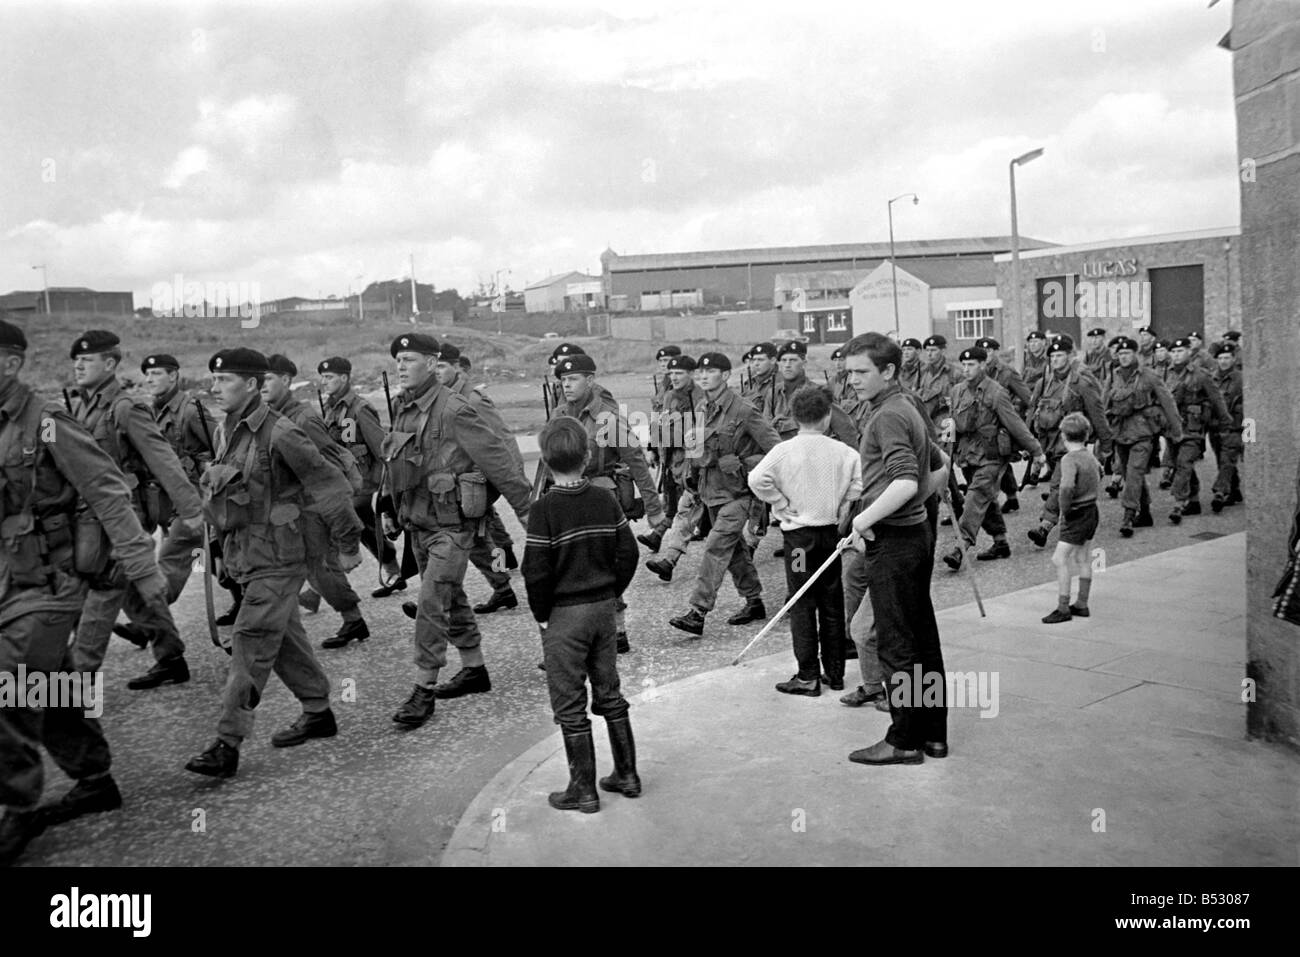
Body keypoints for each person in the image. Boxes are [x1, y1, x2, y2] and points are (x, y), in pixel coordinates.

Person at [0, 319, 171, 866]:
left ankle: (17, 807)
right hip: (7, 578)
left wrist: (142, 568)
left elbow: (105, 488)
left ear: (10, 363)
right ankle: (94, 779)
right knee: (49, 682)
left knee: (11, 683)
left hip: (53, 580)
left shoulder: (46, 423)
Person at [184, 349, 363, 778]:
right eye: (214, 380)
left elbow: (331, 486)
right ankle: (318, 710)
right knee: (282, 639)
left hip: (282, 557)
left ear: (251, 384)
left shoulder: (282, 432)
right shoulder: (228, 431)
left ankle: (227, 742)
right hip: (249, 556)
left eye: (225, 380)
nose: (214, 388)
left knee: (250, 640)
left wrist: (348, 543)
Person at [383, 334, 533, 729]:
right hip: (418, 522)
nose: (401, 365)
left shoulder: (455, 410)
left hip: (453, 526)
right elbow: (395, 461)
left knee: (432, 601)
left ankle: (423, 688)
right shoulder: (403, 407)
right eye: (398, 359)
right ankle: (474, 668)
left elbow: (500, 462)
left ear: (432, 364)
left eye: (409, 359)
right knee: (452, 597)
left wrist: (529, 515)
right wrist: (387, 507)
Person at [67, 331, 201, 690]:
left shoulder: (125, 408)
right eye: (76, 360)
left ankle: (74, 685)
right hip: (91, 517)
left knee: (104, 590)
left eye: (87, 360)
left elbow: (162, 458)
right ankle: (171, 658)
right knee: (132, 591)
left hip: (125, 517)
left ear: (109, 364)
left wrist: (191, 508)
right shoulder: (81, 408)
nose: (78, 366)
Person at [523, 417, 640, 814]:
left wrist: (542, 614)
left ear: (544, 461)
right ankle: (627, 774)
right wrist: (612, 591)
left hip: (564, 615)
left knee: (570, 702)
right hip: (603, 610)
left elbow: (535, 570)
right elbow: (629, 552)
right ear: (588, 457)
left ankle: (583, 789)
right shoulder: (605, 499)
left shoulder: (543, 510)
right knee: (609, 690)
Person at [842, 332, 947, 765]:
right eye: (849, 372)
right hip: (917, 534)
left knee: (897, 644)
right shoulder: (908, 405)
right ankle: (933, 734)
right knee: (922, 640)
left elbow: (904, 481)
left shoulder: (887, 415)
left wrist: (863, 520)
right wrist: (916, 504)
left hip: (895, 542)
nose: (853, 380)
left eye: (861, 372)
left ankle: (903, 739)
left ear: (888, 371)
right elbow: (940, 466)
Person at [543, 352, 664, 653]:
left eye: (573, 379)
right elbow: (549, 461)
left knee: (602, 565)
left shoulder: (607, 417)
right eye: (563, 380)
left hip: (600, 499)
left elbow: (636, 461)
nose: (566, 385)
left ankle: (616, 630)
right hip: (566, 498)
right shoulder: (560, 415)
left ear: (590, 380)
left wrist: (654, 508)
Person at [747, 387, 863, 695]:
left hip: (799, 542)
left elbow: (756, 478)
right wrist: (844, 503)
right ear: (827, 417)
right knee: (832, 601)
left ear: (794, 417)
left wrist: (779, 502)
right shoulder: (844, 451)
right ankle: (835, 673)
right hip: (830, 537)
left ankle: (808, 674)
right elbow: (860, 482)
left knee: (801, 600)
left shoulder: (784, 450)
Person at [111, 353, 219, 654]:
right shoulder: (151, 412)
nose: (150, 380)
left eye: (157, 373)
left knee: (168, 565)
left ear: (174, 376)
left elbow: (222, 447)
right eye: (147, 375)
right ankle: (241, 593)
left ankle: (147, 624)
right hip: (165, 502)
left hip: (193, 500)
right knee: (215, 561)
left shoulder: (192, 410)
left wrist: (206, 470)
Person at [668, 353, 780, 637]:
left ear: (726, 375)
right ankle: (754, 601)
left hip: (740, 493)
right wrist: (691, 476)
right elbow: (698, 446)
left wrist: (744, 463)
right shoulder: (703, 407)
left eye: (711, 371)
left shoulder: (744, 410)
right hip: (712, 491)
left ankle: (697, 611)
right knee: (735, 553)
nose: (703, 377)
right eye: (700, 373)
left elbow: (777, 450)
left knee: (716, 547)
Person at [263, 354, 370, 649]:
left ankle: (354, 616)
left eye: (268, 379)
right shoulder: (271, 417)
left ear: (286, 380)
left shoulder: (303, 420)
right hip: (290, 512)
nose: (261, 385)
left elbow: (332, 469)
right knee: (304, 568)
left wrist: (347, 534)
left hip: (316, 508)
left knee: (321, 567)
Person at [436, 342, 523, 616]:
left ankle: (438, 598)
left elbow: (502, 439)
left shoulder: (472, 399)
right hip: (460, 483)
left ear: (456, 367)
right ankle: (503, 583)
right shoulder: (443, 397)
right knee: (480, 537)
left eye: (441, 366)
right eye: (433, 366)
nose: (436, 372)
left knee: (465, 537)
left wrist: (514, 481)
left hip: (477, 481)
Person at [941, 347, 1045, 570]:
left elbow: (1014, 423)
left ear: (982, 365)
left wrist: (1036, 451)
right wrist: (945, 454)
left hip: (991, 456)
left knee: (976, 496)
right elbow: (950, 424)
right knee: (985, 499)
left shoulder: (996, 392)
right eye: (964, 365)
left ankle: (961, 546)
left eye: (971, 365)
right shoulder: (957, 391)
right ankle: (1000, 542)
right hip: (967, 456)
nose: (966, 369)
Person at [318, 355, 406, 596]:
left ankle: (391, 568)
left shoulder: (360, 408)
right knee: (351, 524)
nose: (324, 382)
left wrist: (387, 487)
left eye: (329, 377)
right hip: (344, 480)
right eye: (323, 377)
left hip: (365, 479)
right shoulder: (330, 408)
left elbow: (381, 448)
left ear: (344, 378)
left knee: (357, 517)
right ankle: (326, 584)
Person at [1025, 335, 1112, 548]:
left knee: (1058, 483)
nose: (1055, 360)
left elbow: (1097, 414)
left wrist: (1106, 443)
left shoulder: (1081, 383)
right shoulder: (1044, 383)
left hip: (1070, 444)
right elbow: (1032, 410)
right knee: (1062, 484)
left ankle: (1045, 525)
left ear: (1070, 356)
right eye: (1052, 356)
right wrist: (1028, 442)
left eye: (1060, 355)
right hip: (1049, 443)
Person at [1104, 336, 1183, 537]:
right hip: (1120, 433)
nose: (1123, 357)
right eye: (1120, 353)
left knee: (1134, 473)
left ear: (1135, 354)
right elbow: (1104, 404)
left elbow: (1168, 402)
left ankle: (1128, 515)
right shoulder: (1113, 375)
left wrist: (1176, 430)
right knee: (1131, 474)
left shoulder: (1149, 376)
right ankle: (1145, 513)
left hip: (1142, 433)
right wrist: (1102, 433)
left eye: (1127, 353)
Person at [643, 354, 705, 574]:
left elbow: (697, 434)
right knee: (683, 509)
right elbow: (661, 426)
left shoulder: (700, 396)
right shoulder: (669, 396)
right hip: (675, 462)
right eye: (671, 373)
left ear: (691, 374)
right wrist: (655, 448)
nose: (674, 377)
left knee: (712, 517)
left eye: (679, 373)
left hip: (698, 463)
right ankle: (669, 559)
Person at [1041, 413, 1103, 624]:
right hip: (1091, 511)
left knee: (1059, 559)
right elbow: (1101, 472)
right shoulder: (1090, 456)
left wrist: (1064, 509)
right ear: (1086, 435)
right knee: (1083, 558)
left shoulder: (1068, 459)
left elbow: (1066, 487)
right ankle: (1082, 603)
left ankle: (1063, 607)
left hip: (1075, 513)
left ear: (1063, 436)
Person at [1165, 338, 1230, 524]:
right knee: (1180, 464)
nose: (1176, 355)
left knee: (1184, 462)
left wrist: (1225, 421)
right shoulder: (1167, 374)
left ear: (1188, 352)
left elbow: (1217, 399)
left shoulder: (1201, 375)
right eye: (1173, 352)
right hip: (1172, 428)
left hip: (1193, 428)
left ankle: (1179, 503)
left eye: (1180, 351)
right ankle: (1193, 500)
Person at [761, 340, 859, 447]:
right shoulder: (773, 393)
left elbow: (845, 428)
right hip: (782, 451)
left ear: (804, 363)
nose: (787, 365)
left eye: (793, 360)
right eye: (784, 360)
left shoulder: (818, 392)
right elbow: (766, 429)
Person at [976, 336, 1032, 514]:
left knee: (995, 465)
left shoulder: (1007, 372)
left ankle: (985, 507)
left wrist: (1016, 414)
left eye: (989, 350)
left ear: (996, 352)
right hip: (982, 428)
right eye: (982, 350)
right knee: (997, 463)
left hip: (1002, 428)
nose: (986, 354)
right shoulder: (977, 371)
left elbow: (1028, 399)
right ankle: (1011, 497)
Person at [1209, 342, 1244, 511]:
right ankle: (1235, 490)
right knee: (1222, 460)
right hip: (1215, 427)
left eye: (1227, 358)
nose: (1223, 361)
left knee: (1227, 460)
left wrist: (1250, 435)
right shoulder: (1211, 378)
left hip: (1234, 427)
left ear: (1234, 359)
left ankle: (1220, 492)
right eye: (1220, 358)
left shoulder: (1241, 379)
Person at [1083, 327, 1114, 393]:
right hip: (1091, 389)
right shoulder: (1089, 355)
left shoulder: (1108, 354)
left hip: (1103, 389)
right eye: (1092, 338)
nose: (1094, 341)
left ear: (1103, 338)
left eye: (1097, 338)